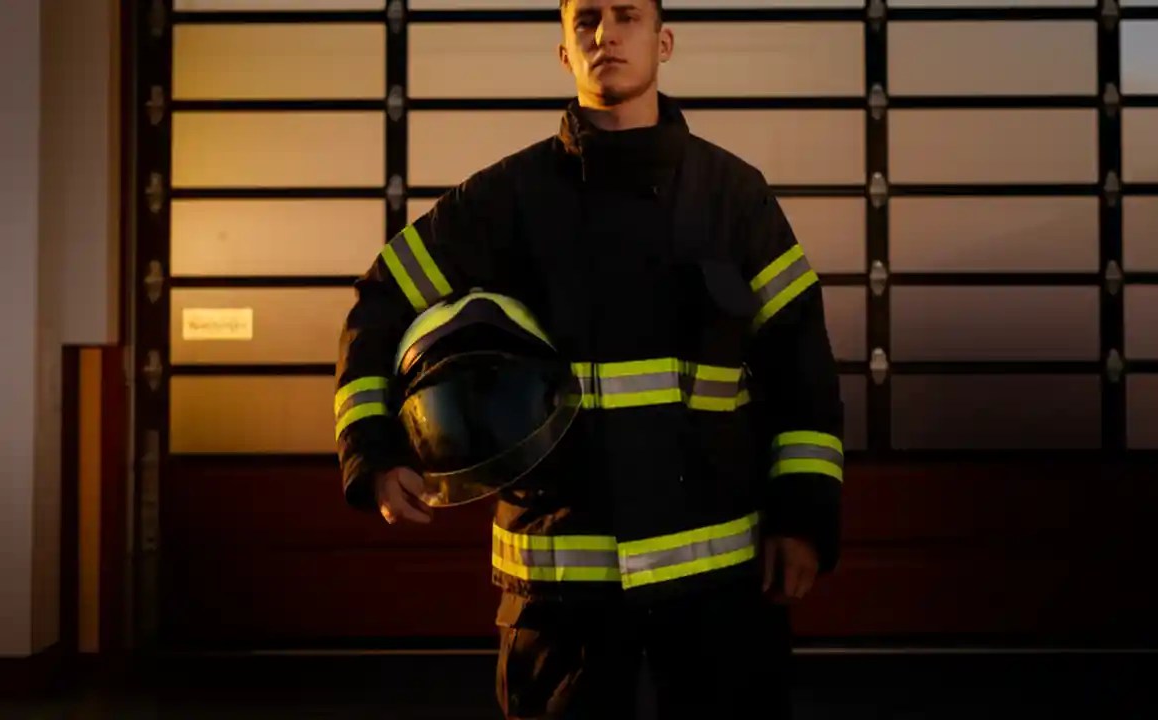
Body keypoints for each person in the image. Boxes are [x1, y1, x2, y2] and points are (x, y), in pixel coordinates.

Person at [333, 0, 845, 716]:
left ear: (663, 42)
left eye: (628, 16)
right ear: (564, 52)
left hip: (719, 592)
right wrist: (372, 446)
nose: (606, 34)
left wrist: (804, 515)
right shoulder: (508, 199)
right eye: (587, 20)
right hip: (560, 597)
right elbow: (381, 299)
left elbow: (802, 365)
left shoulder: (735, 198)